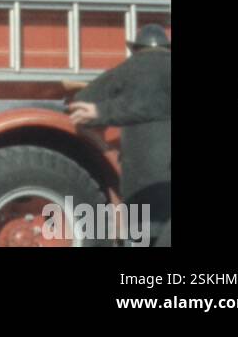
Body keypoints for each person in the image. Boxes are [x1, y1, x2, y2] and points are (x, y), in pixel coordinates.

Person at [69, 24, 171, 245]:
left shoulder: (125, 69)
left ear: (135, 49)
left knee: (140, 236)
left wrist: (104, 143)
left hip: (135, 178)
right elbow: (155, 106)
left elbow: (81, 100)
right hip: (167, 179)